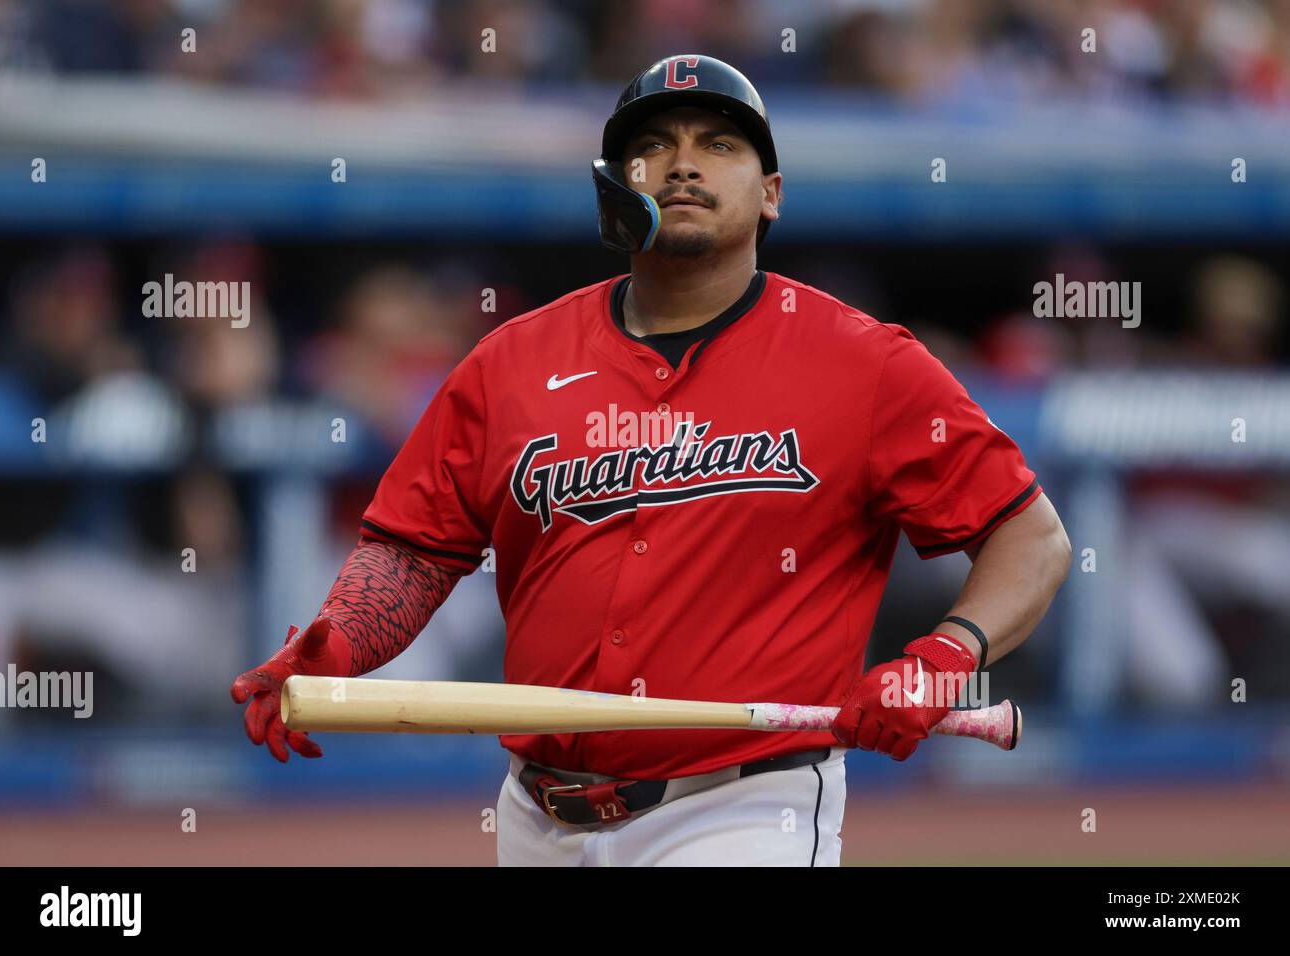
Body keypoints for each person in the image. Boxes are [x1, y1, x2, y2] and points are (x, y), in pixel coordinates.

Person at [231, 54, 1071, 867]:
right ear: (615, 184)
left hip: (741, 808)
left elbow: (1031, 539)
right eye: (653, 145)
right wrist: (336, 644)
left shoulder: (866, 364)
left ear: (771, 193)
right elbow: (415, 547)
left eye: (719, 144)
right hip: (535, 812)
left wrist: (946, 657)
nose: (681, 164)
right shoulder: (511, 361)